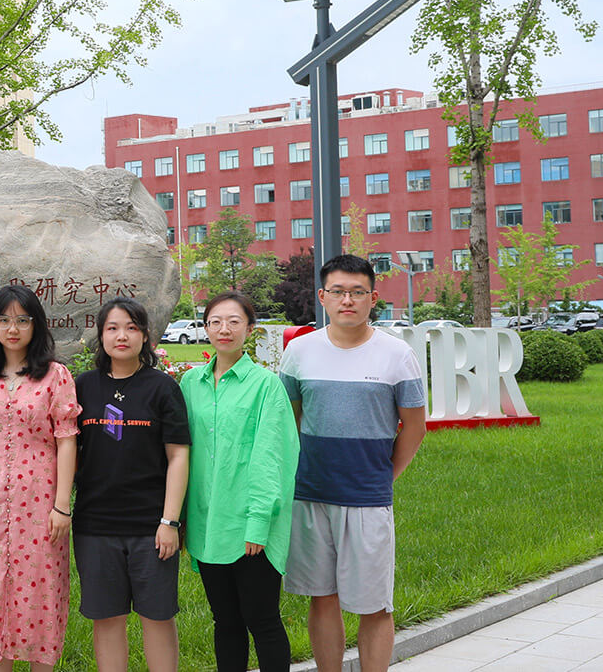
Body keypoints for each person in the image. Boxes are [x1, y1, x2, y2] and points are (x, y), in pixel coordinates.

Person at [281, 255, 427, 672]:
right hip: (309, 495)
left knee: (374, 604)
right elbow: (288, 422)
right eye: (339, 292)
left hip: (366, 498)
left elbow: (414, 427)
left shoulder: (396, 355)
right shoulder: (299, 352)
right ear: (323, 297)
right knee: (322, 597)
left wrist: (383, 475)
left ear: (373, 298)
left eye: (357, 292)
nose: (348, 300)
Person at [0, 286, 81, 672]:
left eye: (22, 320)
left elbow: (66, 441)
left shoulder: (55, 376)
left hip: (40, 502)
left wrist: (62, 505)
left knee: (37, 591)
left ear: (36, 325)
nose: (13, 328)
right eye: (4, 319)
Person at [73, 296, 191, 672]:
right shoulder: (83, 388)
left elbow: (178, 456)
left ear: (146, 336)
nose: (121, 336)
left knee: (157, 617)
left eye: (131, 327)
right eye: (112, 328)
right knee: (106, 619)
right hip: (95, 525)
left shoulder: (162, 388)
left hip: (150, 527)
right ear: (101, 336)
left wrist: (170, 521)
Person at [182, 292, 298, 672]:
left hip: (251, 525)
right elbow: (182, 454)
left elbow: (272, 459)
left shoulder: (266, 385)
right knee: (225, 622)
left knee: (262, 621)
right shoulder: (190, 383)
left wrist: (258, 521)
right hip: (207, 523)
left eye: (234, 321)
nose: (224, 329)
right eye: (215, 321)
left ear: (249, 328)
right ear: (205, 328)